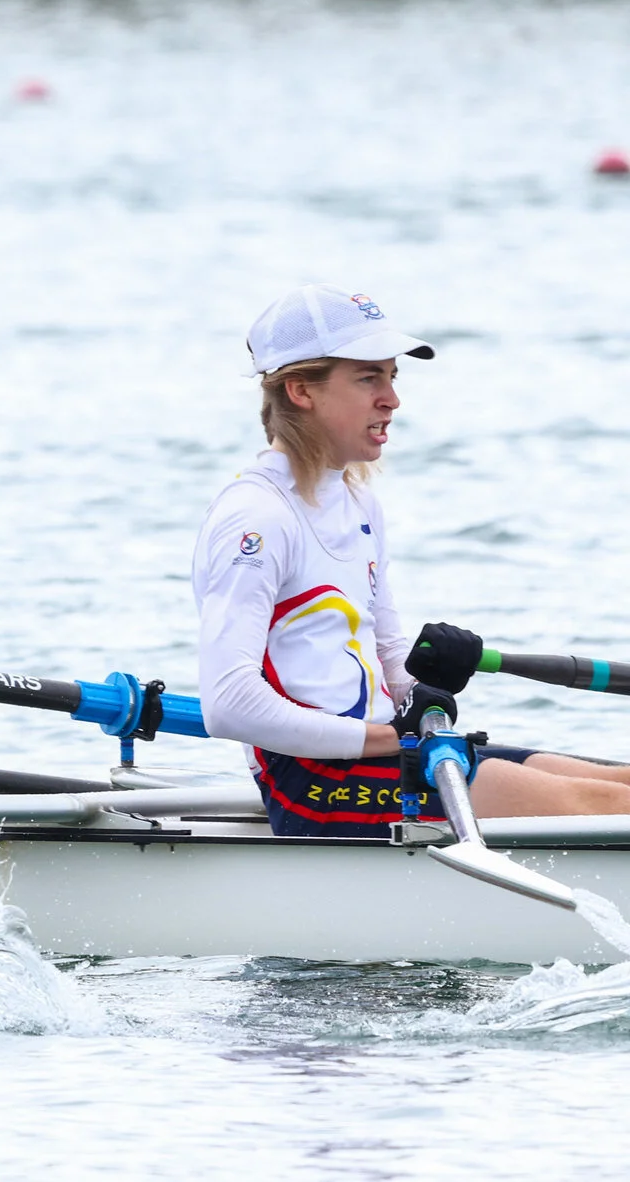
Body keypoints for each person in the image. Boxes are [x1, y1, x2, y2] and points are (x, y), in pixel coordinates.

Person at [192, 284, 630, 837]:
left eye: (391, 377)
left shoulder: (357, 502)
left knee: (623, 785)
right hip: (313, 783)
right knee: (600, 806)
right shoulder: (256, 517)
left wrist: (420, 688)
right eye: (368, 377)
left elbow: (389, 651)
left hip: (385, 754)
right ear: (302, 390)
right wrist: (393, 737)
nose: (392, 400)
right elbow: (229, 705)